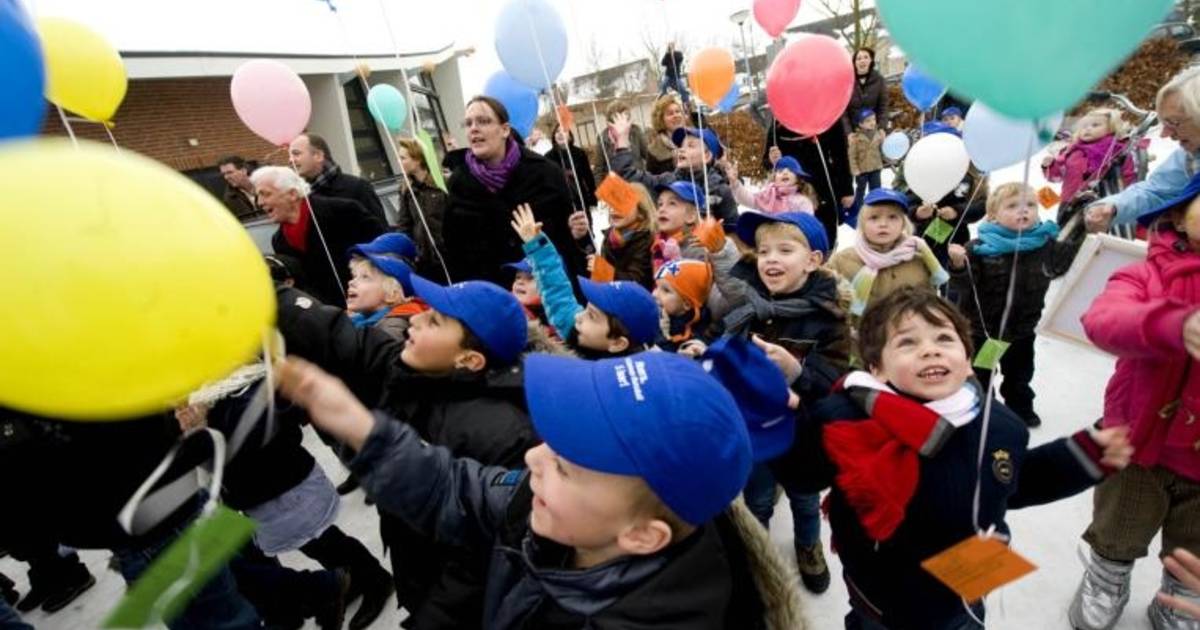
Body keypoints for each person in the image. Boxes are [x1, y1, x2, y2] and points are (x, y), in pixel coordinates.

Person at [274, 347, 806, 630]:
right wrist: (359, 425)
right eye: (551, 444)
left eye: (566, 466)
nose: (533, 458)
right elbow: (455, 489)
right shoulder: (540, 503)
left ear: (642, 536)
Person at [768, 287, 1133, 629]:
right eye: (907, 342)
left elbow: (1009, 482)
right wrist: (783, 426)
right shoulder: (844, 420)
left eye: (944, 339)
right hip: (879, 598)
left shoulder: (1000, 424)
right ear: (876, 367)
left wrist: (1080, 457)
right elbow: (802, 477)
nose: (931, 350)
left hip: (964, 592)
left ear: (967, 357)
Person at [276, 275, 559, 630]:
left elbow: (481, 563)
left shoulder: (500, 434)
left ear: (469, 359)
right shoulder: (419, 372)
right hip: (416, 564)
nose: (415, 319)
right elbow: (349, 342)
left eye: (434, 320)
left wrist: (433, 617)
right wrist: (279, 301)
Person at [1069, 173, 1200, 630]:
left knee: (1194, 541)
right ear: (1180, 217)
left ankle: (1179, 592)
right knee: (1118, 527)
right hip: (1136, 442)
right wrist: (1171, 324)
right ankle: (1107, 578)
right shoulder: (1143, 272)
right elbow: (1104, 319)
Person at [700, 210, 852, 594]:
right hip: (754, 429)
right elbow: (721, 337)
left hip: (802, 430)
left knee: (804, 497)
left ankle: (808, 546)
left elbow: (836, 379)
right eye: (764, 250)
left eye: (786, 249)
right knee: (758, 498)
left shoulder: (828, 317)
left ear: (813, 260)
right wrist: (706, 348)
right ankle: (757, 553)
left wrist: (797, 372)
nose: (770, 259)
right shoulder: (745, 304)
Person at [946, 183, 1081, 428]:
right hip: (984, 332)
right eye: (1012, 206)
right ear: (993, 215)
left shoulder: (1044, 245)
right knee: (981, 375)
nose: (1023, 211)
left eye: (1030, 205)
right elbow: (965, 287)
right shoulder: (976, 249)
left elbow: (1062, 263)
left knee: (1019, 375)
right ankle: (984, 410)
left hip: (1022, 330)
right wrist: (957, 266)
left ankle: (1019, 407)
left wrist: (1079, 220)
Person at [442, 96, 585, 288]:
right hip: (492, 299)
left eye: (483, 121)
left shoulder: (546, 173)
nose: (474, 128)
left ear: (505, 129)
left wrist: (576, 234)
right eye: (468, 124)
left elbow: (570, 243)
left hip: (544, 296)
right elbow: (454, 252)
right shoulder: (458, 184)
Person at [512, 203, 661, 358]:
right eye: (585, 309)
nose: (578, 315)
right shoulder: (576, 330)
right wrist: (538, 247)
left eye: (591, 316)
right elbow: (557, 292)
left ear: (618, 343)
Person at [1086, 66, 1200, 233]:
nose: (1164, 134)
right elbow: (1158, 191)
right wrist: (1114, 207)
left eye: (1174, 122)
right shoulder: (1189, 157)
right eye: (1164, 124)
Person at [254, 165, 385, 308]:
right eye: (258, 196)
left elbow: (383, 251)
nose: (260, 203)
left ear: (292, 194)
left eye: (265, 194)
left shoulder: (342, 210)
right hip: (335, 316)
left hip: (377, 304)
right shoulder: (279, 241)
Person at [827, 188, 948, 327]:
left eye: (892, 217)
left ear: (903, 223)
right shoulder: (841, 261)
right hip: (859, 344)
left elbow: (929, 305)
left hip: (905, 341)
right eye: (874, 218)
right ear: (862, 223)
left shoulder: (919, 260)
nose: (883, 224)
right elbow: (827, 306)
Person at [611, 114, 739, 231]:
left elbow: (734, 233)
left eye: (690, 146)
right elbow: (628, 177)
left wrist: (719, 241)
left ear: (706, 156)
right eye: (681, 146)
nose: (682, 150)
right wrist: (621, 144)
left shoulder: (720, 190)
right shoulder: (669, 181)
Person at [764, 115, 856, 250]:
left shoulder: (827, 112)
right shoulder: (781, 117)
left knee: (826, 236)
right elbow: (767, 159)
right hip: (793, 192)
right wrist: (772, 159)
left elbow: (840, 154)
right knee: (798, 239)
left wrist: (846, 188)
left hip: (823, 186)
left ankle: (825, 263)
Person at [1042, 108, 1137, 207]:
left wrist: (1123, 198)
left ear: (1111, 127)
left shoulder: (1115, 149)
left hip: (1104, 201)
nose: (1087, 129)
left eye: (1095, 125)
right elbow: (1057, 176)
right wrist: (1049, 166)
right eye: (1084, 126)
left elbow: (1128, 175)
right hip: (1069, 203)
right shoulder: (1072, 150)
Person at [289, 133, 388, 225]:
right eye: (290, 155)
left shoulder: (358, 187)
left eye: (296, 154)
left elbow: (381, 232)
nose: (290, 160)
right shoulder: (301, 197)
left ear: (318, 156)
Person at [346, 232, 428, 340]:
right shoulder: (358, 321)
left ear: (392, 293)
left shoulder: (391, 329)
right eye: (354, 276)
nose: (351, 282)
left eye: (365, 277)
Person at [394, 137, 450, 284]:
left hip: (449, 256)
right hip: (424, 261)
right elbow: (404, 224)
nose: (399, 162)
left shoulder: (443, 182)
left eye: (403, 158)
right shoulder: (406, 189)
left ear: (417, 159)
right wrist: (409, 252)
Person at [590, 182, 656, 290]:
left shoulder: (647, 240)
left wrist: (605, 272)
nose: (615, 209)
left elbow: (637, 282)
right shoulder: (610, 236)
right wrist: (581, 238)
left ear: (640, 211)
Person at [653, 259, 715, 352]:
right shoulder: (654, 312)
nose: (654, 294)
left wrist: (661, 334)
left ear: (687, 304)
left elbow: (668, 356)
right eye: (656, 286)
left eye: (666, 290)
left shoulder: (703, 330)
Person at [724, 155, 817, 215]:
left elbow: (807, 225)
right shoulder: (768, 196)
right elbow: (749, 199)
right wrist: (735, 183)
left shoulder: (803, 201)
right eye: (780, 171)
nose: (785, 173)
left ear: (798, 178)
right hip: (769, 238)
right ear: (774, 178)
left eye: (790, 171)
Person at [593, 100, 650, 182]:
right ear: (610, 123)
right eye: (618, 120)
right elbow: (598, 169)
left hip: (638, 182)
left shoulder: (635, 131)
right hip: (617, 187)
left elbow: (648, 156)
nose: (623, 124)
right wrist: (603, 192)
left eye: (626, 119)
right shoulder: (603, 139)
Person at [848, 109, 885, 226]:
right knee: (860, 190)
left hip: (876, 167)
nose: (872, 122)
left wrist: (884, 141)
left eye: (873, 119)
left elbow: (883, 150)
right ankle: (859, 211)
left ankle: (876, 208)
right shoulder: (856, 138)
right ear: (860, 124)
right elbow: (852, 156)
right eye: (868, 121)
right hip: (862, 170)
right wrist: (855, 170)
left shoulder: (878, 135)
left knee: (876, 189)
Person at [843, 47, 888, 135]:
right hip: (854, 132)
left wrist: (882, 127)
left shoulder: (879, 80)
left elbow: (883, 106)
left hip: (874, 130)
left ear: (871, 60)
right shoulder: (847, 80)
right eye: (858, 58)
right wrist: (849, 133)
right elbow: (843, 111)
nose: (862, 61)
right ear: (854, 63)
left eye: (866, 57)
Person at [645, 95, 689, 175]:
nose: (675, 116)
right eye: (670, 113)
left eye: (678, 111)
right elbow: (652, 182)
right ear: (661, 120)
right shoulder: (654, 150)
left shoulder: (694, 139)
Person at [217, 155, 261, 221]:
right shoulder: (229, 199)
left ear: (243, 171)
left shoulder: (265, 185)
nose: (226, 177)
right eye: (224, 174)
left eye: (230, 172)